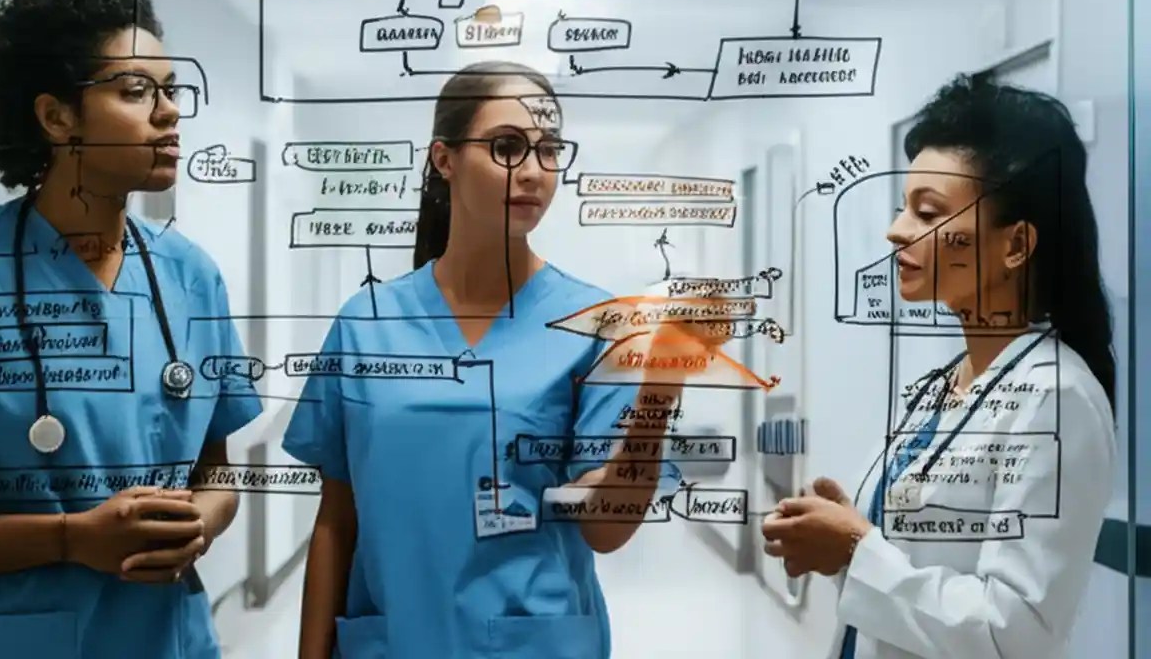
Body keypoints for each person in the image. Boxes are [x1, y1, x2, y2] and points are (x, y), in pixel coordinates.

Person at [0, 0, 261, 659]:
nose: (170, 111)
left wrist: (201, 521)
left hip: (164, 637)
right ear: (56, 117)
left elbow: (217, 471)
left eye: (171, 91)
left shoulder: (192, 278)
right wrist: (70, 539)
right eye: (136, 90)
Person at [282, 61, 712, 658]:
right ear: (444, 159)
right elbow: (336, 520)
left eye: (549, 151)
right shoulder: (366, 322)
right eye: (507, 147)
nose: (534, 172)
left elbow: (606, 529)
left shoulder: (597, 325)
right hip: (393, 639)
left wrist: (656, 402)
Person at [761, 73, 1117, 659]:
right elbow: (913, 569)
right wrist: (842, 531)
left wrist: (854, 549)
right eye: (904, 207)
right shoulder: (947, 383)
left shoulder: (1055, 397)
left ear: (1016, 245)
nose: (896, 230)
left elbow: (1014, 630)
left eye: (927, 214)